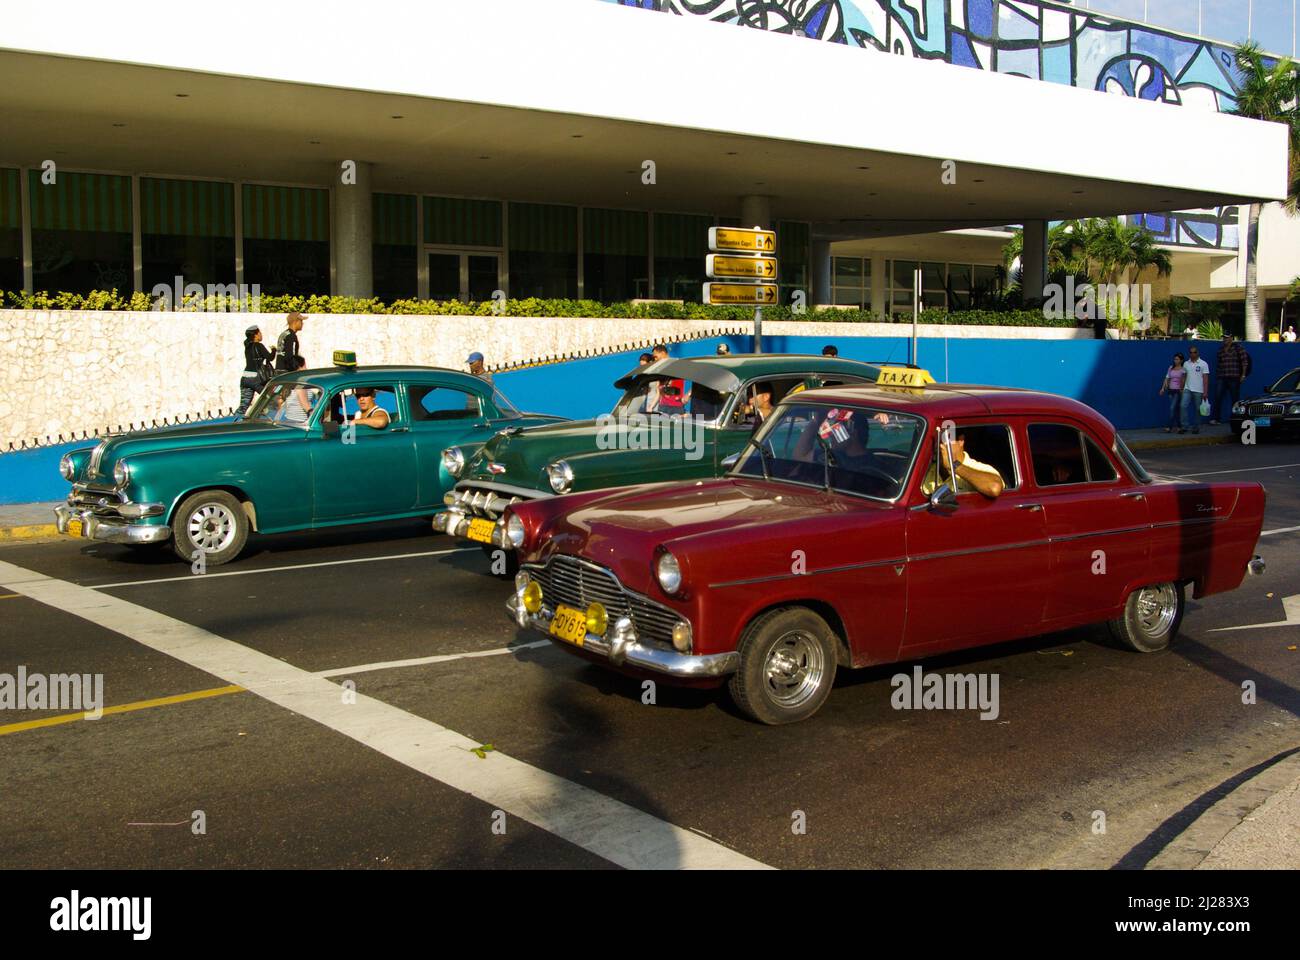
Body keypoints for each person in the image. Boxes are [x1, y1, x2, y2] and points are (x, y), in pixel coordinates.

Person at [920, 431, 1004, 499]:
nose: (940, 446)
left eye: (944, 440)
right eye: (936, 441)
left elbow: (994, 488)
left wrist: (955, 465)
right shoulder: (924, 468)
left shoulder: (979, 468)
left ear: (960, 440)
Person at [1210, 334, 1251, 424]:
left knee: (1235, 399)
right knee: (1218, 397)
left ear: (1231, 338)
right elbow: (1219, 364)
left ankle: (1235, 418)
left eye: (1227, 338)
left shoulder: (1238, 348)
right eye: (1224, 338)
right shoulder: (1220, 350)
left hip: (1234, 376)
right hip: (1222, 377)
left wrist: (1243, 375)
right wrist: (1218, 374)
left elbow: (1244, 362)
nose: (1225, 339)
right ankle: (1216, 418)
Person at [239, 325, 277, 415]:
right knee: (270, 400)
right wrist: (274, 350)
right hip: (256, 379)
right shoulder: (259, 346)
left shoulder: (247, 346)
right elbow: (270, 358)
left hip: (245, 378)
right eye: (259, 333)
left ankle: (233, 423)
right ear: (255, 335)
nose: (261, 335)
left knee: (243, 407)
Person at [1183, 344, 1209, 434]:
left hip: (1199, 390)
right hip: (1187, 389)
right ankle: (1185, 426)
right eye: (1191, 352)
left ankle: (1196, 427)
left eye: (1194, 352)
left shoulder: (1203, 364)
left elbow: (1205, 379)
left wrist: (1205, 392)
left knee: (1198, 409)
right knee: (1182, 406)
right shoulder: (1186, 363)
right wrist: (1182, 388)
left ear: (1198, 353)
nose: (1193, 354)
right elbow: (1184, 376)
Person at [1159, 353, 1187, 434]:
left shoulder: (1183, 369)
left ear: (1181, 360)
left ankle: (1169, 426)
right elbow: (1167, 378)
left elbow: (1183, 380)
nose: (1175, 361)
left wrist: (1182, 389)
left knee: (1172, 408)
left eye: (1177, 359)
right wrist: (1163, 388)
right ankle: (1179, 427)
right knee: (1175, 410)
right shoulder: (1171, 368)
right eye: (1175, 359)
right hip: (1170, 390)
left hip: (1178, 391)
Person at [282, 357, 316, 424]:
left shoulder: (290, 381)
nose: (306, 368)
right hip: (300, 421)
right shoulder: (300, 384)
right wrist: (315, 417)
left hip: (289, 419)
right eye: (305, 365)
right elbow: (305, 405)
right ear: (300, 367)